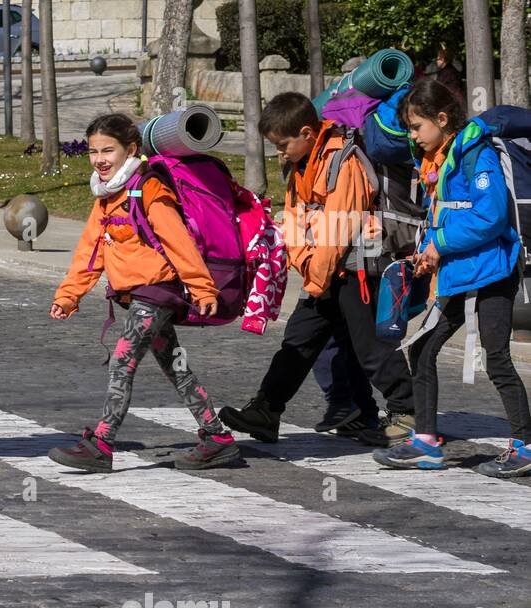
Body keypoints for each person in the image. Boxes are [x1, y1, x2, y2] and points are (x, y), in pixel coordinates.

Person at [220, 92, 417, 447]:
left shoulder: (345, 162)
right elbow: (294, 218)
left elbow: (341, 228)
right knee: (298, 342)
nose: (279, 153)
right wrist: (308, 267)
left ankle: (408, 414)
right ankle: (267, 410)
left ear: (308, 133)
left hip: (357, 270)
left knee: (371, 349)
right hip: (323, 274)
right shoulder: (301, 165)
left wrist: (316, 278)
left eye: (283, 145)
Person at [47, 113, 241, 473]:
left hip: (158, 291)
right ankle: (218, 438)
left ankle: (101, 444)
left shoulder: (149, 188)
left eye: (108, 150)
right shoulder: (105, 195)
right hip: (137, 295)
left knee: (123, 359)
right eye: (92, 151)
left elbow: (177, 241)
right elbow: (91, 250)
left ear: (130, 150)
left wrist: (201, 287)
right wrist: (68, 296)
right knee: (175, 367)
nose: (100, 159)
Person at [373, 78, 531, 476]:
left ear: (442, 119)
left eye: (416, 126)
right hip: (458, 269)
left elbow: (490, 216)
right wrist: (430, 251)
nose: (412, 135)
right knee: (422, 347)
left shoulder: (477, 154)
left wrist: (439, 244)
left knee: (496, 358)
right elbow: (447, 212)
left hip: (494, 268)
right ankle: (425, 443)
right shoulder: (440, 158)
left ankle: (524, 446)